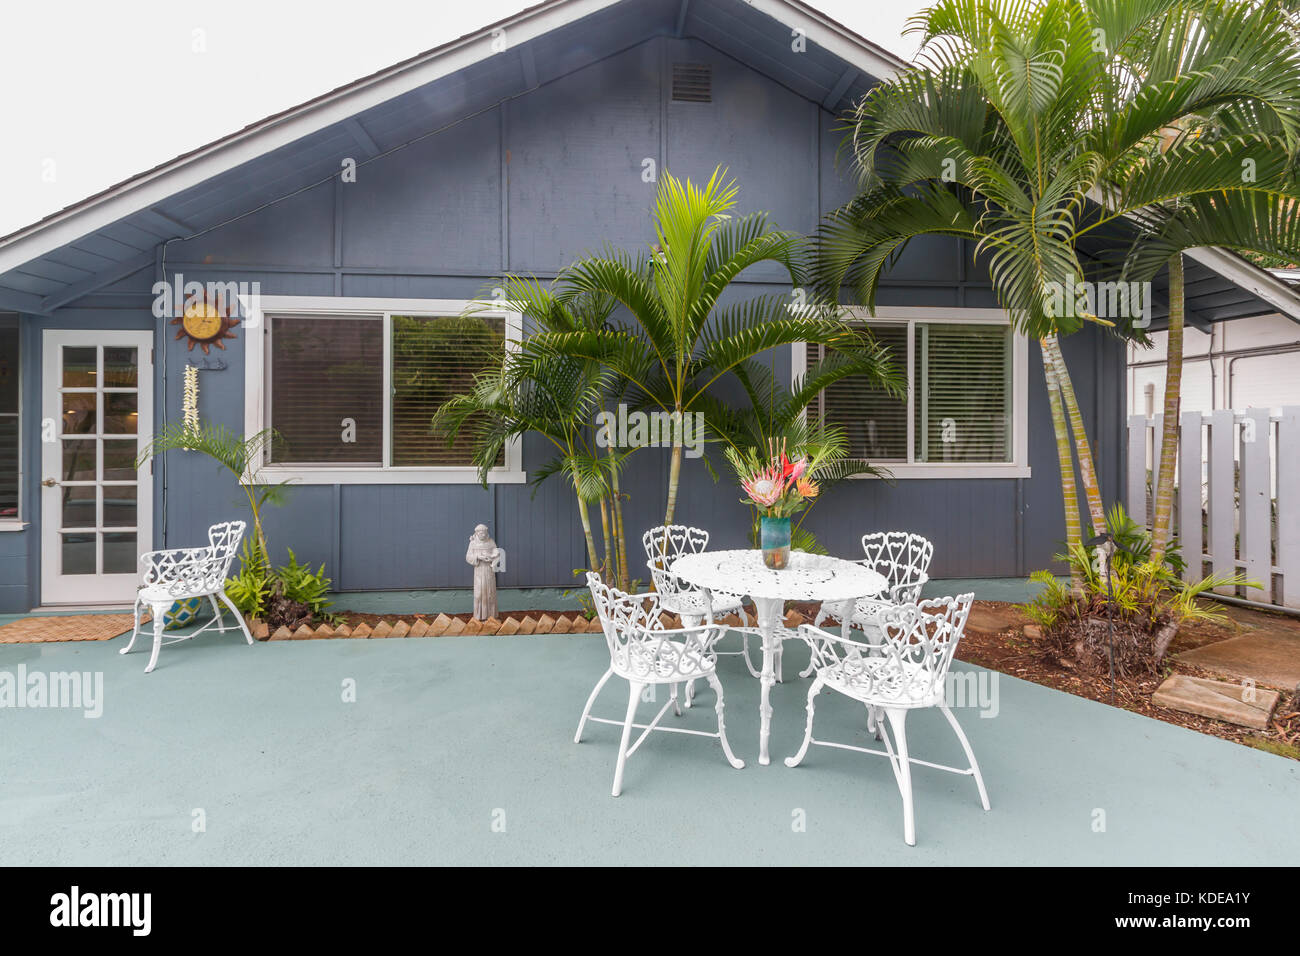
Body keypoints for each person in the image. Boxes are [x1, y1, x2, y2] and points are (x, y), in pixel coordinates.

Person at [466, 524, 503, 620]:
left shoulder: (491, 542)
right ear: (477, 533)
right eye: (480, 532)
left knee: (490, 592)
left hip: (489, 570)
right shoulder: (473, 544)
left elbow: (497, 554)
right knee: (479, 593)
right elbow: (468, 557)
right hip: (479, 570)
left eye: (484, 532)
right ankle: (479, 616)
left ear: (486, 533)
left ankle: (491, 615)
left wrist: (492, 558)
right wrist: (478, 557)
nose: (482, 534)